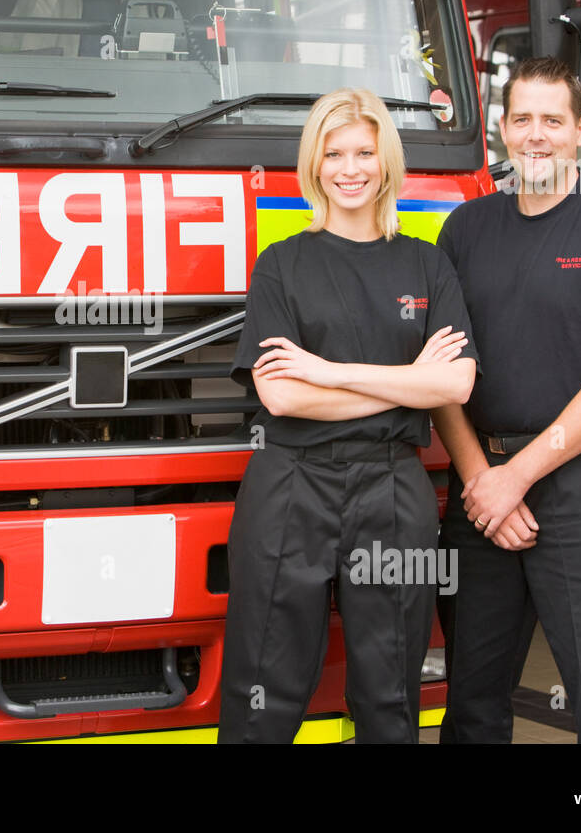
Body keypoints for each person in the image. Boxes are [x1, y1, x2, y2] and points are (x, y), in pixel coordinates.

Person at [217, 87, 480, 744]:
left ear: (386, 161)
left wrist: (331, 373)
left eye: (364, 151)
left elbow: (458, 381)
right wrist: (409, 383)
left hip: (393, 489)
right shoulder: (282, 265)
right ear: (315, 164)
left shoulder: (427, 262)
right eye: (334, 153)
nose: (350, 168)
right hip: (289, 488)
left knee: (390, 693)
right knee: (263, 690)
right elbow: (281, 397)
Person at [432, 56, 581, 743]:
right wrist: (483, 479)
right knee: (473, 705)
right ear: (501, 129)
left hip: (579, 487)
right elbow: (446, 373)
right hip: (481, 493)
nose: (535, 135)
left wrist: (518, 477)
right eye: (522, 119)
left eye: (552, 121)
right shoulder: (465, 230)